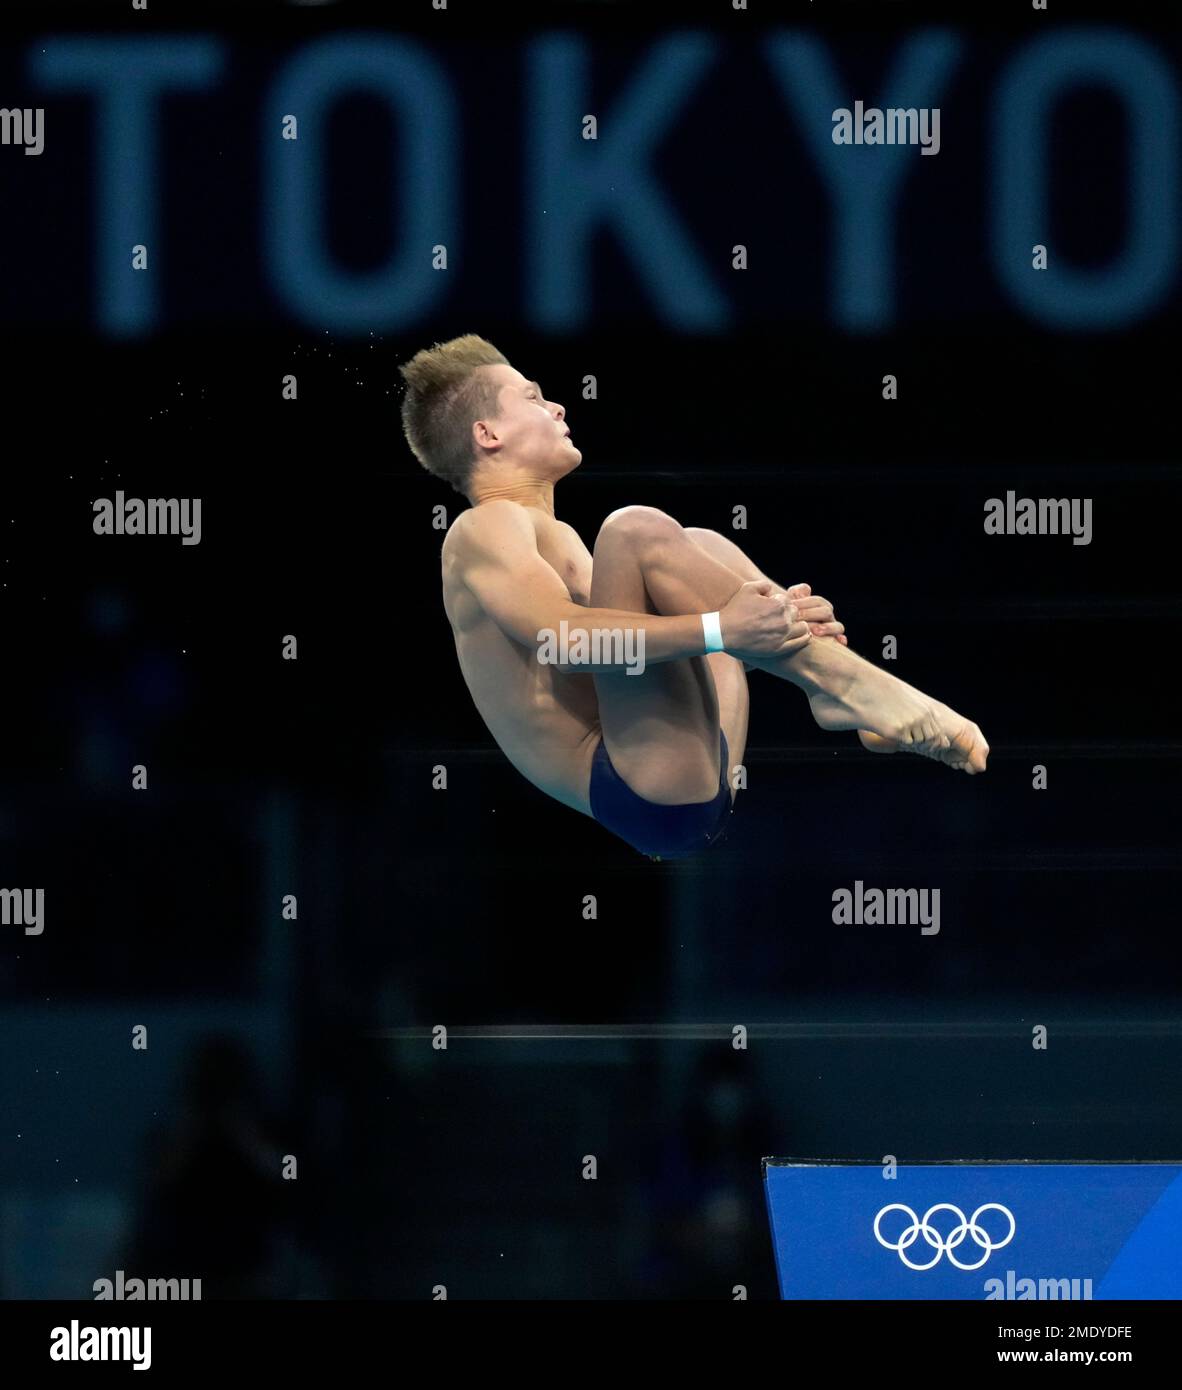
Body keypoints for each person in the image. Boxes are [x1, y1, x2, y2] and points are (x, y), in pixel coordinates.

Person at [399, 334, 988, 860]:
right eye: (531, 397)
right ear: (487, 434)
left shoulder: (551, 536)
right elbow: (564, 642)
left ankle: (828, 677)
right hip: (638, 784)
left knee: (699, 543)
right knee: (633, 531)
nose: (556, 406)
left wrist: (767, 615)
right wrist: (722, 630)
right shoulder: (482, 529)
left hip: (688, 777)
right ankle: (845, 684)